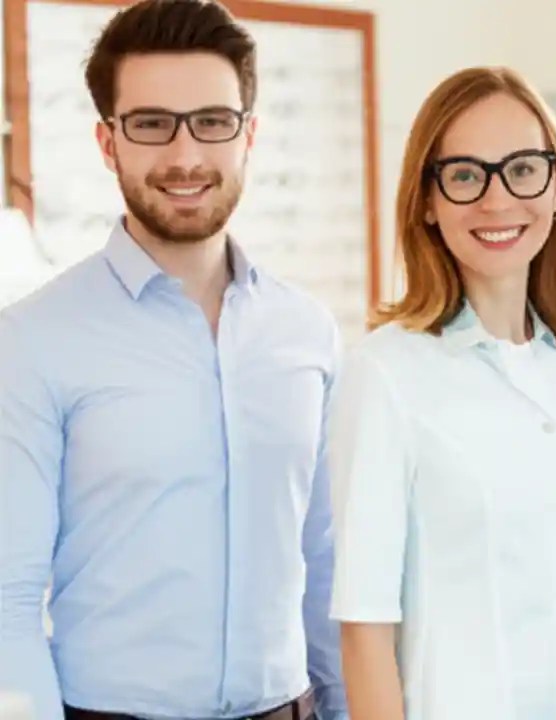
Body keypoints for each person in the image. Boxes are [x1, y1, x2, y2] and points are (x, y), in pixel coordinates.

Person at [0, 0, 348, 719]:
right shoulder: (32, 341)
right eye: (152, 124)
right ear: (108, 141)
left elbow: (330, 571)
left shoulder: (309, 334)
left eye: (213, 122)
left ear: (249, 135)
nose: (185, 156)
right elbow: (7, 597)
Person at [327, 66, 556, 720]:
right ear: (427, 200)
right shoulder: (385, 374)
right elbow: (364, 629)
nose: (498, 201)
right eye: (466, 175)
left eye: (523, 169)